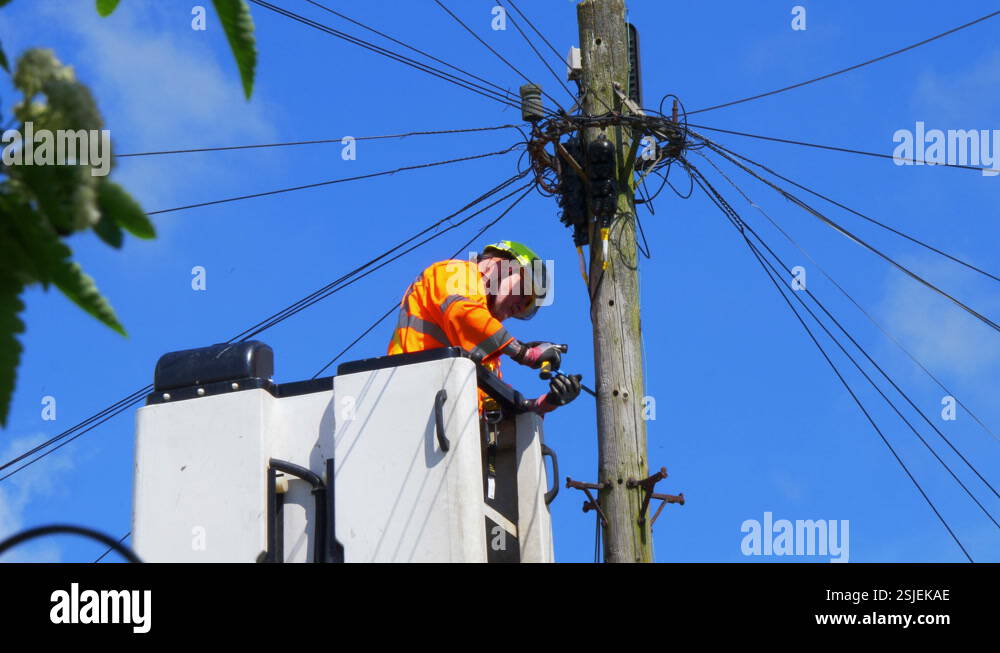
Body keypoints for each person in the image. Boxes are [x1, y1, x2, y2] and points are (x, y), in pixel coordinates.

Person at [387, 240, 581, 415]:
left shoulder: (487, 351)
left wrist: (545, 403)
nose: (521, 306)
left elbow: (493, 409)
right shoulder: (455, 272)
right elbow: (463, 314)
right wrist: (524, 353)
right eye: (522, 292)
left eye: (526, 306)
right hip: (410, 401)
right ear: (499, 267)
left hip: (443, 425)